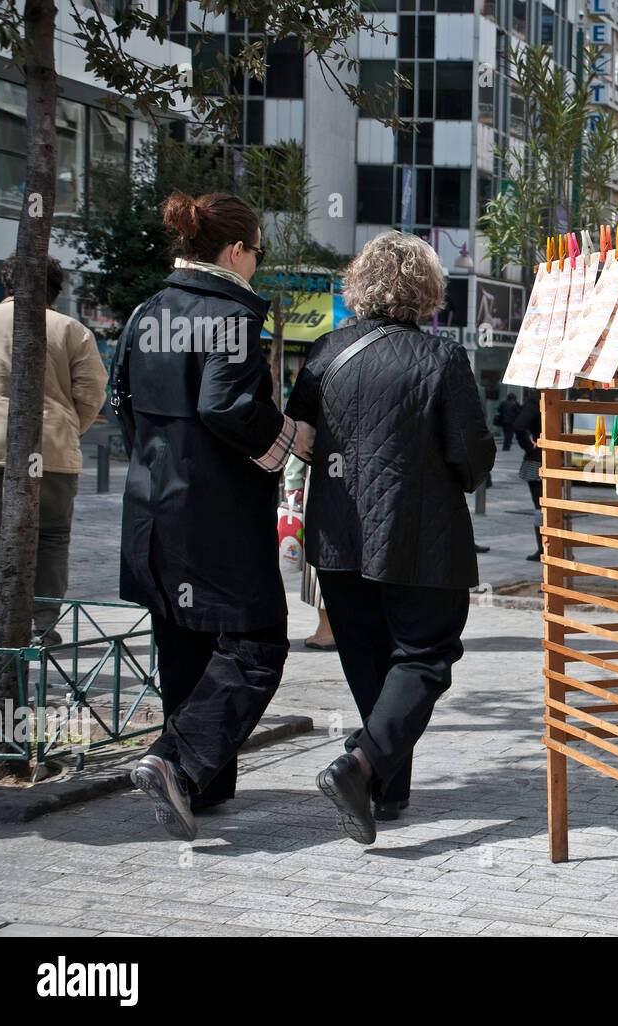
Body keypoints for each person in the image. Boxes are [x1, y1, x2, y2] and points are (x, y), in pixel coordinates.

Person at [112, 190, 314, 840]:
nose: (257, 262)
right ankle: (173, 762)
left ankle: (199, 785)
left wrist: (159, 461)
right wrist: (288, 437)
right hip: (215, 518)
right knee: (258, 647)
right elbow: (224, 405)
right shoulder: (227, 314)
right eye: (257, 251)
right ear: (234, 250)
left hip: (153, 509)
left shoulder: (147, 311)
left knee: (186, 640)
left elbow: (122, 401)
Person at [285, 231, 495, 842]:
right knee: (426, 657)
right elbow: (473, 457)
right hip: (419, 537)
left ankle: (382, 787)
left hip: (338, 536)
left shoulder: (324, 353)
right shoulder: (442, 359)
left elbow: (302, 437)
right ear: (426, 291)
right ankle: (360, 764)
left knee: (371, 661)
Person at [0, 254, 108, 643]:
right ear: (57, 289)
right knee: (52, 538)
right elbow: (91, 394)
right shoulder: (72, 330)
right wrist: (68, 428)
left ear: (7, 283)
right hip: (53, 452)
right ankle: (42, 625)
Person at [283, 456, 335, 650]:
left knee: (322, 548)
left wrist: (293, 478)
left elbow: (304, 435)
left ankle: (327, 628)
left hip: (322, 472)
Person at [513, 390, 543, 560]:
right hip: (551, 457)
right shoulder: (555, 399)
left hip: (537, 457)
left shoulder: (535, 400)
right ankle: (548, 548)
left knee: (540, 506)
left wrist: (528, 445)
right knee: (547, 505)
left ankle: (543, 548)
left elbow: (518, 425)